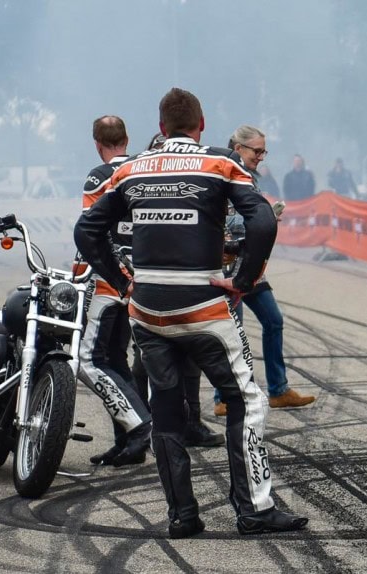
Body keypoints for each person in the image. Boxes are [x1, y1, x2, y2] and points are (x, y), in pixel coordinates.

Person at [74, 88, 308, 538]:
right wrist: (242, 280)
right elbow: (263, 221)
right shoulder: (220, 163)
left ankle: (182, 517)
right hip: (204, 308)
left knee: (166, 412)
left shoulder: (128, 170)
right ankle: (254, 510)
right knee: (247, 401)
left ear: (160, 128)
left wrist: (122, 282)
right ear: (201, 125)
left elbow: (87, 229)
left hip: (147, 312)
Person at [127, 133, 225, 449]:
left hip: (183, 288)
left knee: (189, 362)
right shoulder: (136, 183)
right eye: (157, 150)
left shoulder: (182, 188)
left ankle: (192, 422)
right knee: (143, 365)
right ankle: (141, 426)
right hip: (144, 288)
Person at [213, 125, 316, 417]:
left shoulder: (250, 178)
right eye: (257, 151)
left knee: (274, 320)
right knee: (234, 332)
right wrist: (261, 222)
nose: (261, 156)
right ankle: (224, 397)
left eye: (263, 151)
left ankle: (279, 390)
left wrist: (266, 220)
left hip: (252, 264)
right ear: (238, 146)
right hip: (228, 268)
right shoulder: (224, 174)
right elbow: (226, 222)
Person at [77, 116, 152, 467]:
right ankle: (128, 443)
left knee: (88, 360)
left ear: (96, 142)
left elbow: (92, 230)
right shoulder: (143, 169)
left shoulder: (99, 175)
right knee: (116, 360)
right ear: (126, 138)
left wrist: (90, 274)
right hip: (142, 280)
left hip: (110, 282)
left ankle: (139, 425)